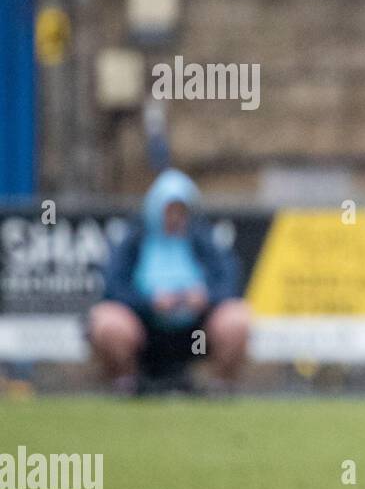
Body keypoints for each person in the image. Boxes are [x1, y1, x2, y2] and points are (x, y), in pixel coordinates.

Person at [87, 169, 250, 394]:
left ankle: (220, 387)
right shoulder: (133, 239)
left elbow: (229, 280)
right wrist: (148, 302)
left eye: (181, 211)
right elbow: (113, 286)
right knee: (107, 319)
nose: (175, 217)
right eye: (169, 210)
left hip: (196, 333)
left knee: (236, 316)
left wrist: (205, 296)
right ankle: (127, 384)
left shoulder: (202, 237)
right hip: (145, 328)